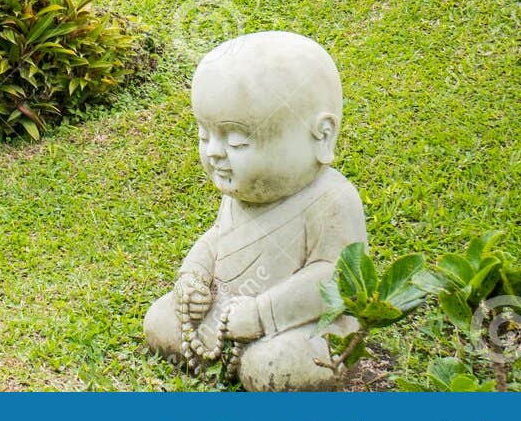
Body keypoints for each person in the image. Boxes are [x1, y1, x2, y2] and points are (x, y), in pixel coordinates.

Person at [144, 32, 367, 391]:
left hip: (298, 322)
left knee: (274, 366)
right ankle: (235, 353)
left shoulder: (332, 199)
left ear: (321, 136)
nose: (215, 152)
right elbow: (218, 237)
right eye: (205, 136)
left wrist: (264, 314)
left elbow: (334, 276)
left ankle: (266, 359)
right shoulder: (239, 193)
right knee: (159, 320)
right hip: (228, 312)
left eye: (237, 142)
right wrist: (195, 276)